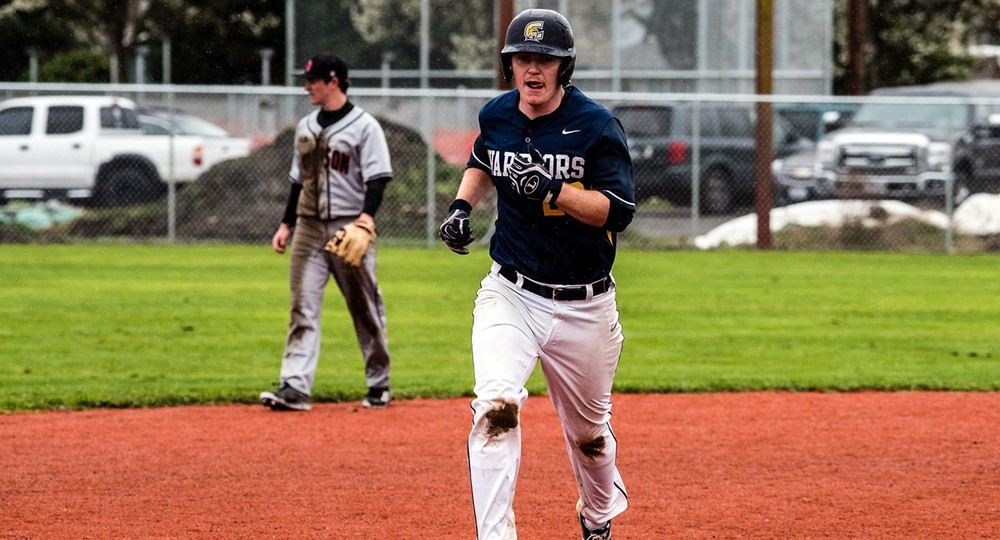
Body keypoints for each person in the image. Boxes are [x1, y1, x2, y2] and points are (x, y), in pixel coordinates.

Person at [438, 9, 635, 540]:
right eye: (522, 58)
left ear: (563, 67)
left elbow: (617, 211)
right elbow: (483, 159)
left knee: (589, 435)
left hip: (584, 304)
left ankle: (597, 517)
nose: (532, 69)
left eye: (544, 59)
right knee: (496, 406)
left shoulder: (595, 126)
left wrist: (553, 189)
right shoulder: (499, 113)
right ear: (509, 65)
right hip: (512, 292)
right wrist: (461, 207)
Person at [260, 52, 393, 411]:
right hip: (308, 227)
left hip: (350, 226)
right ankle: (295, 387)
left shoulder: (365, 127)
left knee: (364, 307)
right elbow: (296, 181)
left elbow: (378, 178)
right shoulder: (306, 127)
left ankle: (378, 383)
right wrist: (286, 224)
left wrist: (366, 219)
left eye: (313, 80)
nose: (307, 87)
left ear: (333, 81)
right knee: (302, 306)